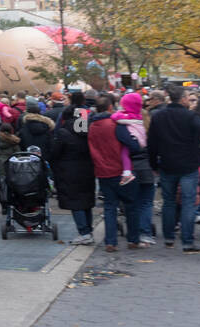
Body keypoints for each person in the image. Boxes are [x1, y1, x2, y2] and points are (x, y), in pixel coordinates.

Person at [148, 86, 200, 253]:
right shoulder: (190, 116)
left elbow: (152, 143)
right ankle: (187, 241)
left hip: (167, 163)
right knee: (188, 203)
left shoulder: (158, 116)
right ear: (183, 99)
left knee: (169, 202)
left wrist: (154, 164)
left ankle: (169, 237)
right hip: (189, 164)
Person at [86, 94, 138, 252]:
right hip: (122, 170)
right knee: (130, 205)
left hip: (102, 171)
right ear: (110, 107)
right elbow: (131, 144)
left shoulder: (91, 126)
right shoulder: (115, 124)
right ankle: (133, 239)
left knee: (109, 207)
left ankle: (110, 241)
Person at [50, 93, 97, 244]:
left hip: (69, 170)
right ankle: (88, 231)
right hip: (87, 168)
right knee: (86, 201)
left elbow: (54, 153)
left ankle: (83, 232)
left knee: (75, 202)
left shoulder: (63, 133)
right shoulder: (86, 131)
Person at [114, 92, 156, 247]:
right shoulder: (147, 122)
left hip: (129, 167)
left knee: (133, 202)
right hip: (147, 166)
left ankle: (135, 232)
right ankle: (146, 233)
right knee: (146, 202)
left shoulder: (123, 122)